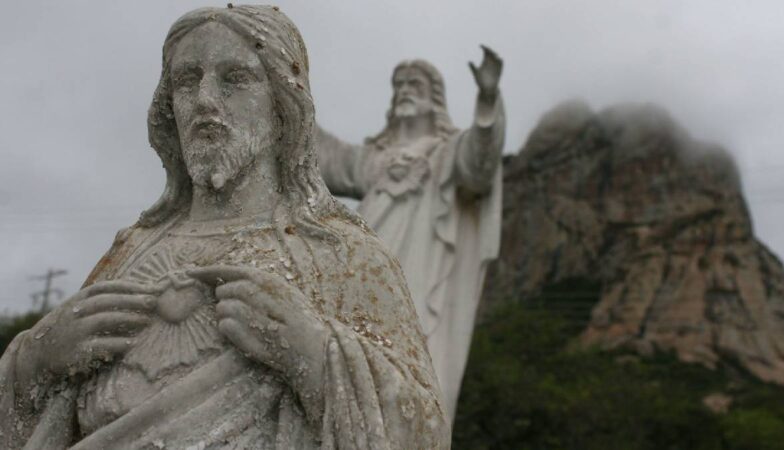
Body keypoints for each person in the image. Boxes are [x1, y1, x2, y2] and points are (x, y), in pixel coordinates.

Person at [0, 6, 448, 449]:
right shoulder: (132, 250)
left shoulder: (343, 255)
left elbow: (424, 433)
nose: (205, 99)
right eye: (186, 80)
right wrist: (34, 362)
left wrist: (313, 352)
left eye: (235, 78)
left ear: (282, 106)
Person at [316, 48, 505, 419]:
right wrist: (281, 89)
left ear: (434, 97)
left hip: (422, 267)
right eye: (399, 84)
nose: (404, 89)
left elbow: (480, 167)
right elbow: (324, 157)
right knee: (350, 356)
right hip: (364, 262)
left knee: (410, 362)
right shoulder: (373, 157)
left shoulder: (446, 151)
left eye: (414, 83)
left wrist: (487, 98)